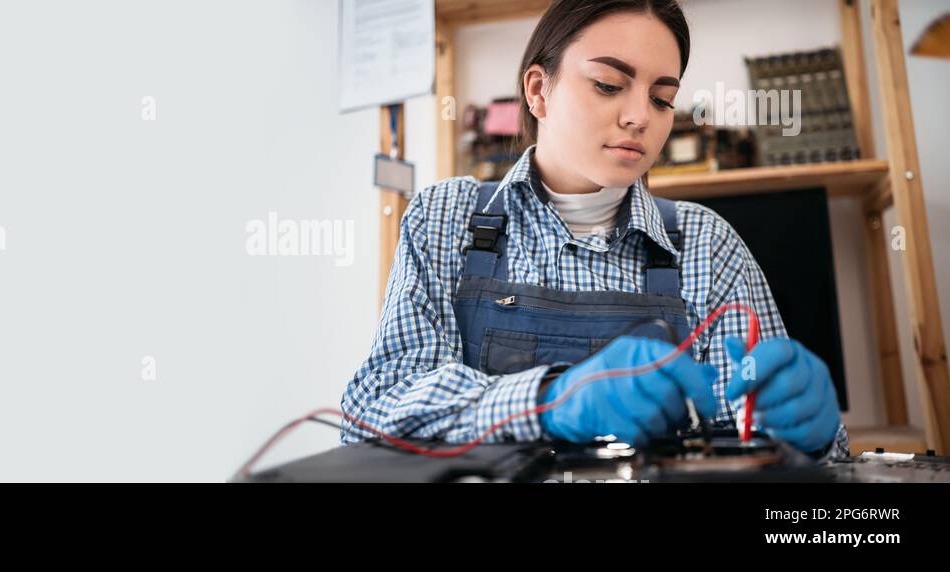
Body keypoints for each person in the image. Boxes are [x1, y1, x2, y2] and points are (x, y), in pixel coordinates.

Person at [340, 0, 848, 460]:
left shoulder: (707, 245)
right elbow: (374, 411)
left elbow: (776, 433)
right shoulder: (444, 219)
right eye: (608, 85)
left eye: (662, 99)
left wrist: (811, 437)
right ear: (539, 91)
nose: (638, 117)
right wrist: (548, 402)